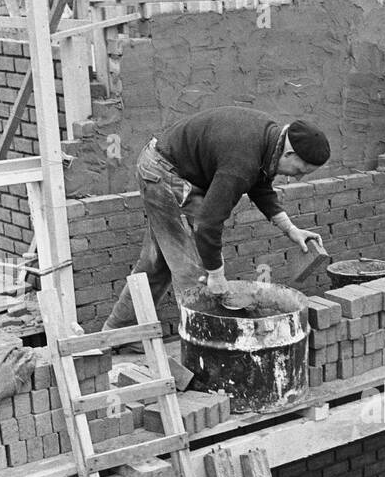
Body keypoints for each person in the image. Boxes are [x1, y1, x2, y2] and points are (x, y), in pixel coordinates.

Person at [102, 107, 330, 330]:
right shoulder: (243, 160)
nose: (299, 176)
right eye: (301, 169)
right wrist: (216, 274)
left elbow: (260, 185)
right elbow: (207, 224)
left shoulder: (271, 139)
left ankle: (118, 331)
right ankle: (205, 354)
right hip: (165, 174)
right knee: (197, 274)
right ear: (289, 154)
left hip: (165, 165)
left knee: (157, 263)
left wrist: (290, 229)